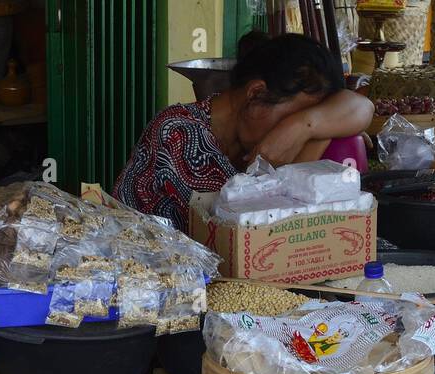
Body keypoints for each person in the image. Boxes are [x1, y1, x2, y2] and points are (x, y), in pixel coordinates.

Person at [115, 32, 373, 231]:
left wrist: (306, 126)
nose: (289, 132)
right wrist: (320, 136)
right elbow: (250, 228)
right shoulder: (178, 132)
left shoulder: (279, 131)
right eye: (289, 118)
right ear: (256, 93)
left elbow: (362, 106)